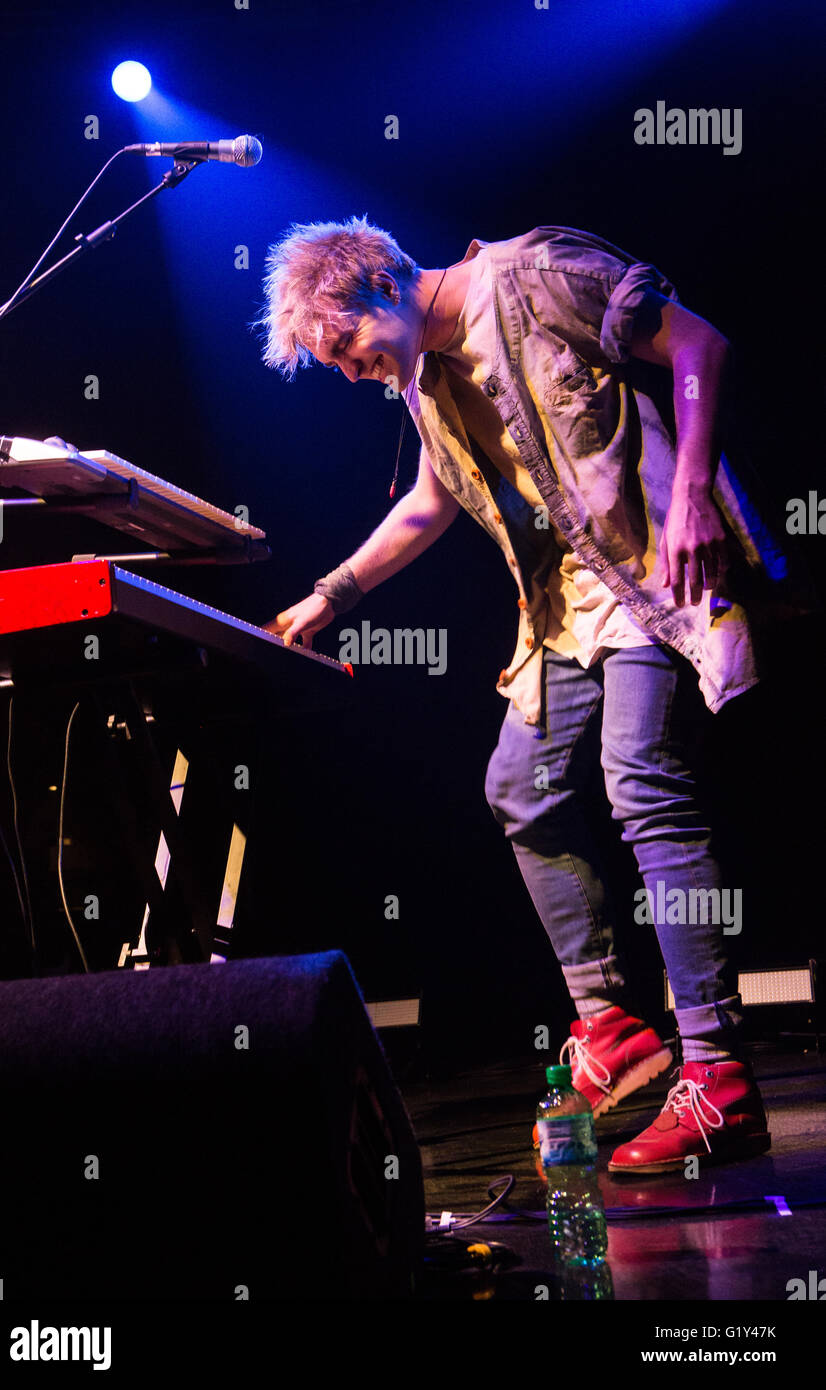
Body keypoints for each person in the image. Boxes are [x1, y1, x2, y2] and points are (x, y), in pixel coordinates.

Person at [256, 215, 779, 1173]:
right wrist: (327, 597)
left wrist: (697, 488)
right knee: (521, 788)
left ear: (382, 283)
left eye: (343, 344)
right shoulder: (423, 379)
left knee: (642, 787)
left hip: (656, 568)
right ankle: (614, 1029)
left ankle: (717, 1075)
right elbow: (430, 501)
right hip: (568, 605)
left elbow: (699, 342)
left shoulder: (537, 277)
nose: (345, 369)